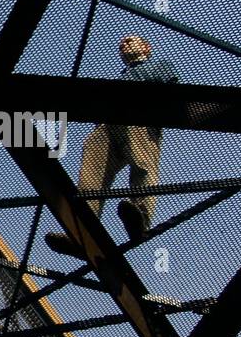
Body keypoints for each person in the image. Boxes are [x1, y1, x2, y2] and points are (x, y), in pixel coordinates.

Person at [45, 35, 179, 259]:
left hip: (139, 115)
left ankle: (141, 217)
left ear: (147, 47)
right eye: (120, 45)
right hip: (108, 124)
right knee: (90, 180)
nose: (124, 45)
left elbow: (172, 88)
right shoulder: (122, 76)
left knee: (143, 165)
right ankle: (81, 235)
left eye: (130, 41)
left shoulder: (160, 65)